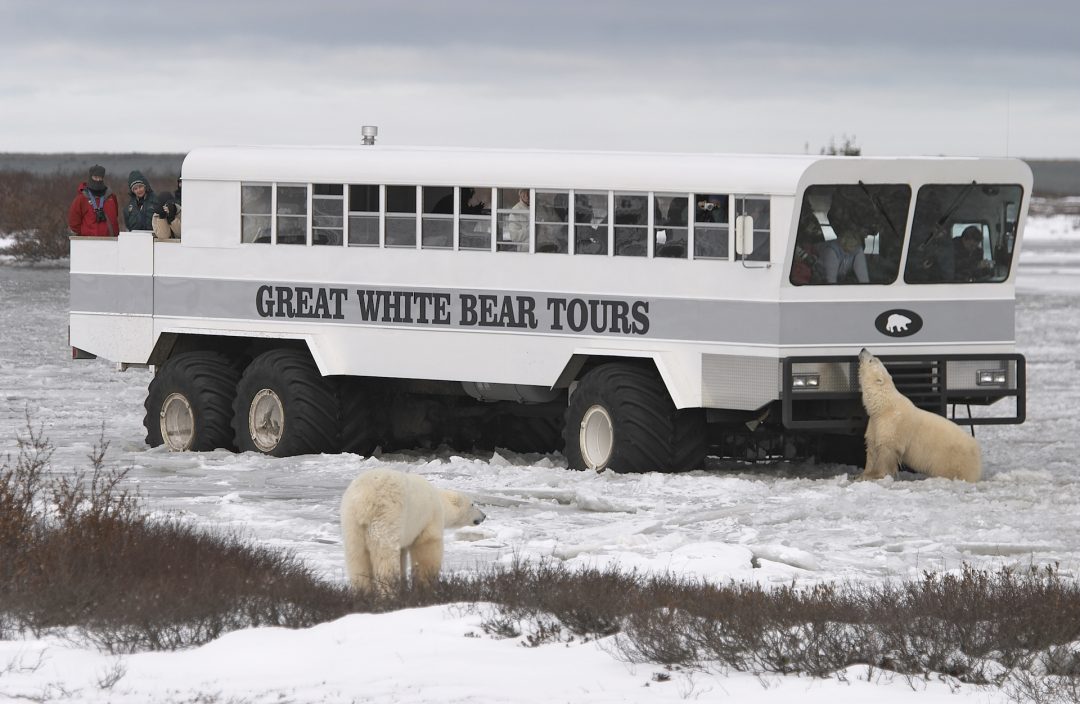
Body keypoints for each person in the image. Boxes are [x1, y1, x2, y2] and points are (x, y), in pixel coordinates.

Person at [814, 199, 868, 284]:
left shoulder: (857, 249)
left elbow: (863, 277)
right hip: (820, 276)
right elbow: (831, 280)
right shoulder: (832, 252)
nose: (856, 248)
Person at [67, 165, 120, 237]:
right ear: (90, 177)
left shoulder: (111, 197)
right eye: (95, 177)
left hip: (110, 240)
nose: (98, 180)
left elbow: (115, 217)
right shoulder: (81, 199)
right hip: (89, 241)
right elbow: (74, 223)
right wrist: (84, 236)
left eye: (100, 177)